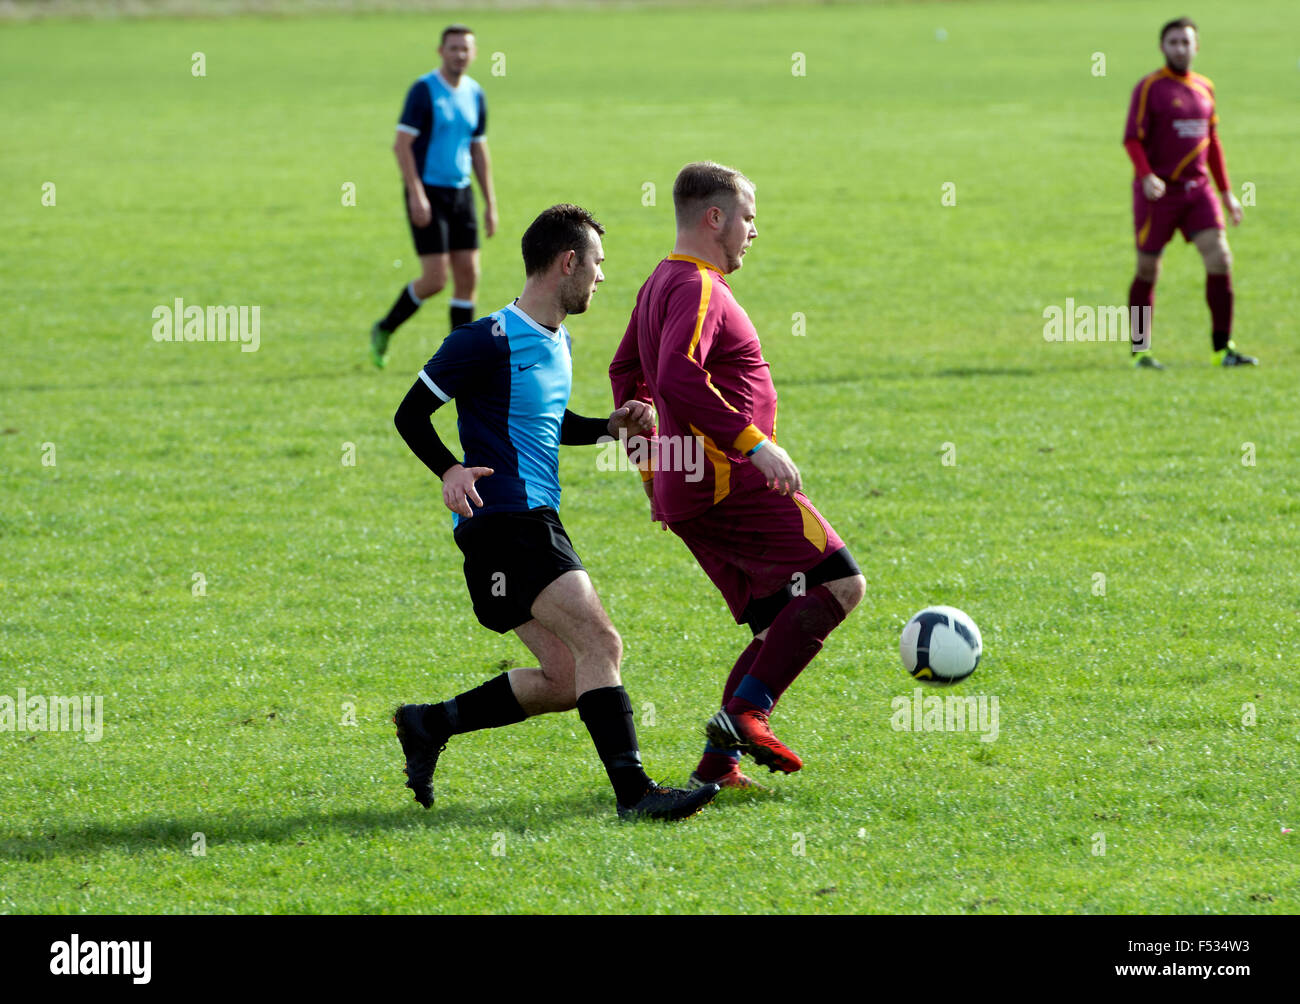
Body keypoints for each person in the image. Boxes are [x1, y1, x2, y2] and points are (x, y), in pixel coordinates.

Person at [392, 204, 720, 822]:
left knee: (569, 675)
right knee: (602, 641)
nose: (600, 276)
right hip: (508, 522)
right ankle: (636, 795)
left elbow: (548, 423)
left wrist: (607, 429)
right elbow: (410, 413)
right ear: (567, 262)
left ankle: (428, 723)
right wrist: (449, 469)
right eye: (596, 263)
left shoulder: (557, 341)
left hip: (525, 524)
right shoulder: (484, 340)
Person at [610, 162, 866, 790]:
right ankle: (749, 714)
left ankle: (717, 764)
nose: (755, 231)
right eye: (748, 217)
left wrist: (653, 473)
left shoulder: (656, 284)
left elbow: (626, 377)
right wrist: (754, 446)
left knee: (778, 617)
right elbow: (672, 377)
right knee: (839, 585)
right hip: (730, 481)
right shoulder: (697, 287)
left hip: (690, 491)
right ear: (714, 217)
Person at [1124, 17, 1256, 369]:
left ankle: (1222, 349)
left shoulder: (1205, 88)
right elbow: (1132, 139)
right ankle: (1141, 351)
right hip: (1158, 194)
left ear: (1197, 47)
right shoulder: (1150, 88)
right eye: (1173, 42)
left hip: (1198, 191)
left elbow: (1212, 143)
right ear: (1162, 47)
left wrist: (1227, 193)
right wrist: (1147, 175)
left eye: (1186, 42)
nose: (1180, 48)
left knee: (1220, 259)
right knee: (1148, 269)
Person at [370, 24, 498, 368]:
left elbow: (478, 148)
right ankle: (384, 327)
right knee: (436, 279)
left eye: (465, 48)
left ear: (473, 54)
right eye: (453, 48)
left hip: (462, 193)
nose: (459, 54)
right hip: (429, 192)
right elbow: (402, 145)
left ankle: (459, 358)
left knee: (469, 277)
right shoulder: (424, 91)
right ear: (440, 51)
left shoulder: (475, 93)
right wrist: (416, 194)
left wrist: (490, 204)